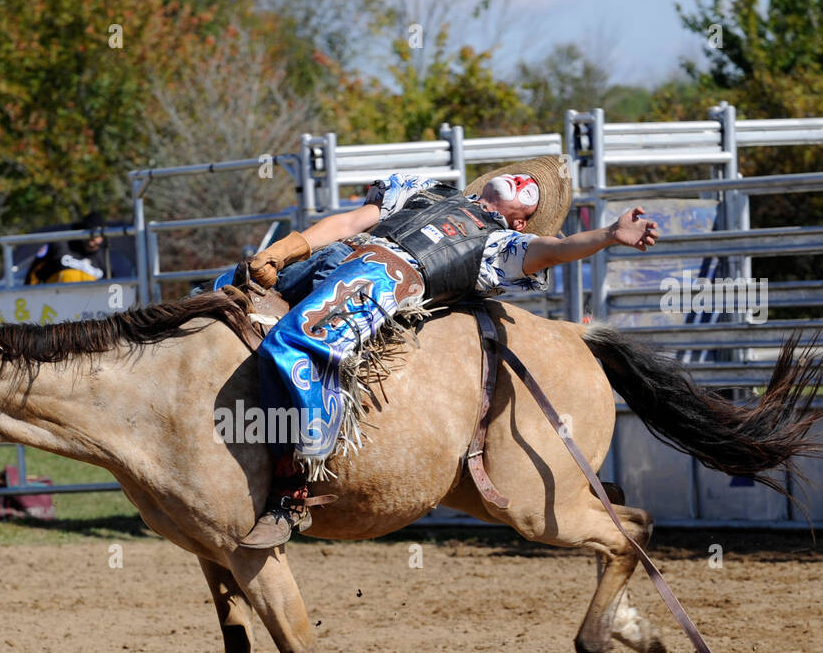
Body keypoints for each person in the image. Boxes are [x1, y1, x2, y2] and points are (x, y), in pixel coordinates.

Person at [231, 156, 659, 548]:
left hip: (385, 279)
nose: (526, 180)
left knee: (295, 344)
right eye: (524, 176)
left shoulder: (500, 247)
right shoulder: (424, 191)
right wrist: (282, 250)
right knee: (219, 297)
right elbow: (347, 224)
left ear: (523, 222)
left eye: (535, 192)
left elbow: (555, 250)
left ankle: (291, 492)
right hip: (334, 258)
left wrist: (608, 235)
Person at [25, 211, 110, 284]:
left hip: (88, 301)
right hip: (56, 300)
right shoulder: (60, 245)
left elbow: (108, 288)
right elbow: (33, 275)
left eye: (97, 233)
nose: (92, 237)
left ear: (103, 237)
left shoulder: (103, 259)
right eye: (89, 231)